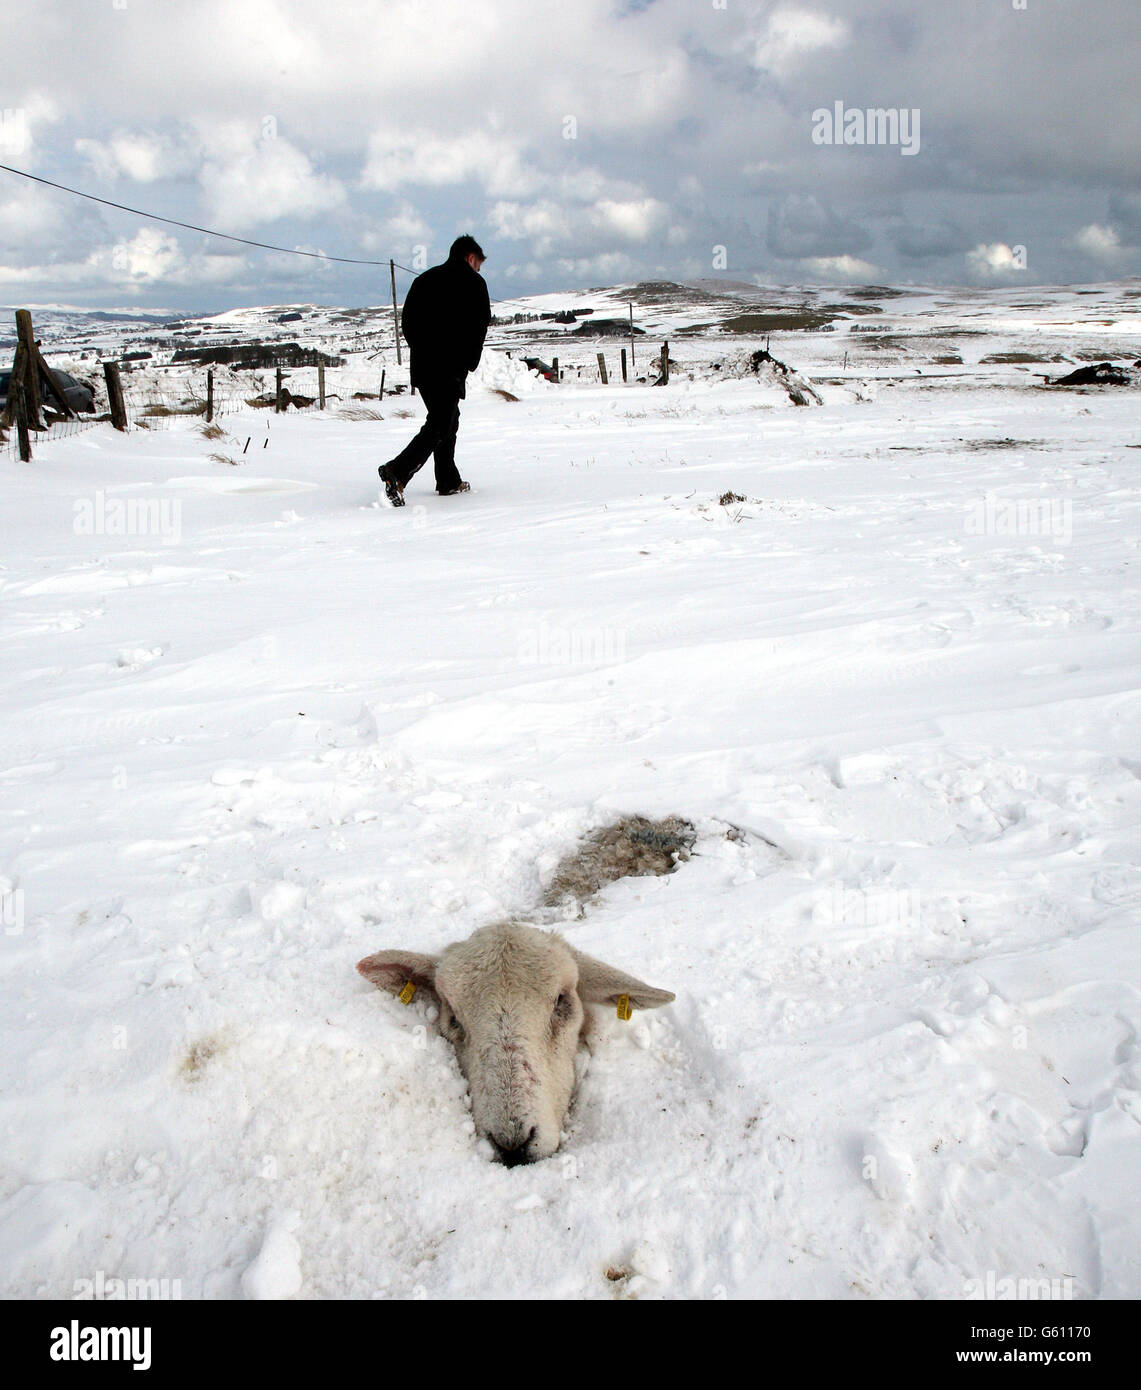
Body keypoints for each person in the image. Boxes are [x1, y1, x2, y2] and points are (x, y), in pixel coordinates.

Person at [379, 235, 491, 505]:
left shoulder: (424, 280)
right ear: (470, 257)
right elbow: (479, 325)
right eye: (478, 263)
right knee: (441, 422)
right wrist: (467, 360)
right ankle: (398, 471)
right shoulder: (474, 284)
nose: (479, 269)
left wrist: (422, 350)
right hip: (450, 368)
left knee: (447, 418)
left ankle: (447, 480)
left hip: (424, 367)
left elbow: (408, 324)